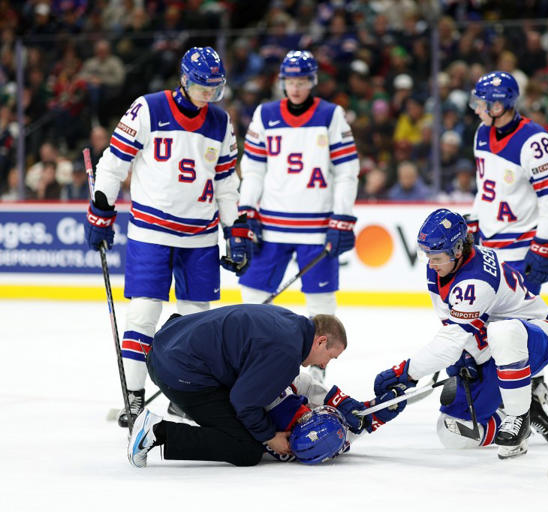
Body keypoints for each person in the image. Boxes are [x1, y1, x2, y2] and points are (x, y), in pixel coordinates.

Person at [85, 47, 254, 428]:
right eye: (201, 86)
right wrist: (101, 208)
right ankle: (134, 398)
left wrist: (235, 229)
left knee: (199, 324)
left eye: (214, 87)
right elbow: (113, 163)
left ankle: (188, 399)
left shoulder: (221, 121)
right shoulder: (148, 108)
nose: (207, 94)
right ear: (183, 80)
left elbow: (227, 182)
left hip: (200, 238)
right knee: (144, 314)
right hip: (151, 233)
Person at [372, 209, 548, 460]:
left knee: (502, 331)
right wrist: (465, 355)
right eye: (427, 255)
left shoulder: (475, 281)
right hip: (488, 343)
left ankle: (519, 413)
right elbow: (452, 328)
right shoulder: (441, 266)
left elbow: (451, 341)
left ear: (458, 249)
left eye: (436, 256)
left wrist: (406, 372)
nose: (431, 263)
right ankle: (512, 410)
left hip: (532, 337)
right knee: (452, 433)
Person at [127, 305, 404, 467]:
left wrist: (342, 402)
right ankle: (157, 430)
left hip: (171, 342)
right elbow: (245, 403)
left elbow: (290, 381)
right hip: (177, 369)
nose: (323, 365)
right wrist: (269, 437)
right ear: (320, 342)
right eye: (329, 357)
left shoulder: (293, 326)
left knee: (250, 401)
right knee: (245, 449)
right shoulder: (286, 353)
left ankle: (189, 405)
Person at [237, 50, 359, 321]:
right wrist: (246, 210)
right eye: (290, 81)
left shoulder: (330, 114)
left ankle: (319, 363)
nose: (295, 87)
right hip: (271, 222)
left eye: (302, 81)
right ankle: (257, 354)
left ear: (312, 81)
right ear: (282, 81)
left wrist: (342, 216)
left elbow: (347, 170)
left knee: (321, 302)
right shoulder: (265, 114)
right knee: (253, 294)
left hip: (317, 224)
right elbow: (253, 168)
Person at [466, 71, 548, 296]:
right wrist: (474, 220)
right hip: (486, 254)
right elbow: (484, 187)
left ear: (497, 107)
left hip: (520, 254)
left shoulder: (535, 141)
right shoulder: (482, 133)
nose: (475, 109)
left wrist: (545, 245)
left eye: (480, 103)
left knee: (515, 328)